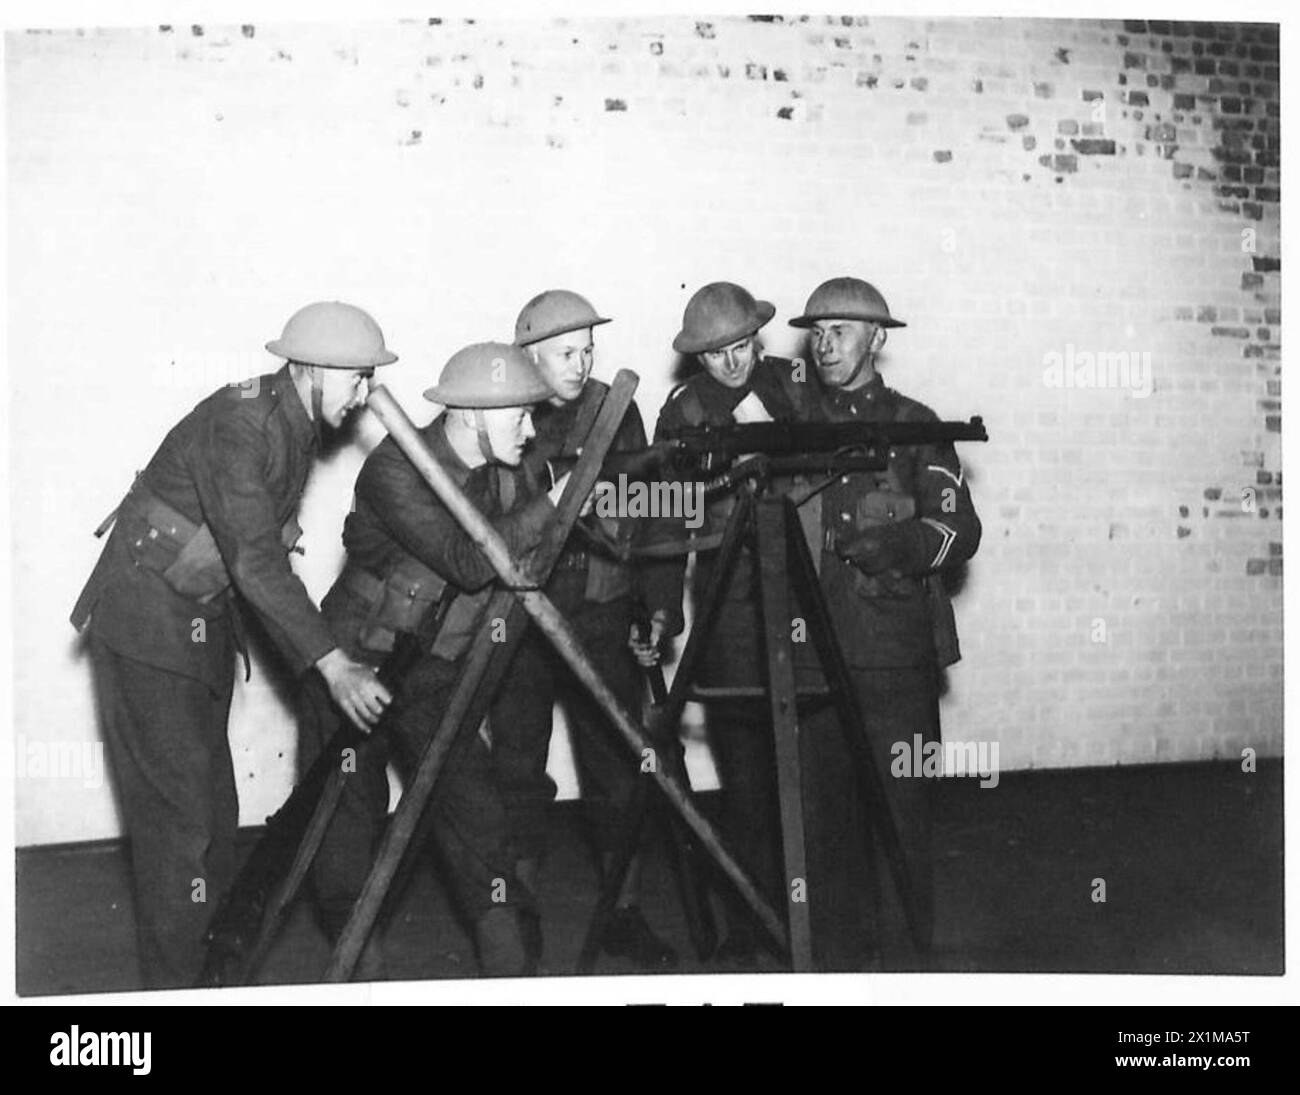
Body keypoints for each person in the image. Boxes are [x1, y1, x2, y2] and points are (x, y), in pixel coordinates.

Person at [70, 301, 397, 989]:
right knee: (179, 836)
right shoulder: (242, 420)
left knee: (214, 823)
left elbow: (255, 550)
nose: (365, 397)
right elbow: (254, 560)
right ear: (308, 367)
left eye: (369, 380)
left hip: (200, 628)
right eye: (356, 380)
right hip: (146, 626)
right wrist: (331, 664)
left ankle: (210, 979)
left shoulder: (297, 423)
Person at [298, 341, 563, 977]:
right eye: (518, 417)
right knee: (343, 830)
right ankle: (363, 980)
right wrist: (558, 502)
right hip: (354, 662)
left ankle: (512, 979)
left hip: (431, 671)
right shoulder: (395, 470)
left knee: (477, 823)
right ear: (470, 414)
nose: (531, 431)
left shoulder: (513, 468)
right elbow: (473, 561)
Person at [789, 275, 982, 968]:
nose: (825, 341)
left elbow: (960, 527)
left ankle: (905, 973)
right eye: (818, 329)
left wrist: (897, 547)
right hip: (810, 658)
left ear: (877, 338)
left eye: (842, 328)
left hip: (892, 660)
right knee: (823, 832)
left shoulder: (917, 426)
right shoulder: (793, 428)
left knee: (901, 824)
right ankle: (838, 971)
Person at [632, 281, 817, 965]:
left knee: (807, 760)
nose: (735, 365)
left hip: (802, 593)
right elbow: (662, 513)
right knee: (743, 770)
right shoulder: (681, 414)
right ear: (698, 360)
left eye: (742, 347)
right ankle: (751, 915)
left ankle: (814, 914)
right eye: (717, 356)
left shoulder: (791, 388)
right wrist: (661, 606)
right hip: (730, 603)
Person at [500, 289, 676, 969]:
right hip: (521, 619)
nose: (582, 363)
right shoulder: (500, 407)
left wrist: (659, 608)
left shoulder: (615, 408)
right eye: (565, 353)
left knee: (616, 766)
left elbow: (654, 510)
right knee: (517, 767)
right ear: (527, 356)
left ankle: (623, 910)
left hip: (602, 609)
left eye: (587, 349)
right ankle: (516, 910)